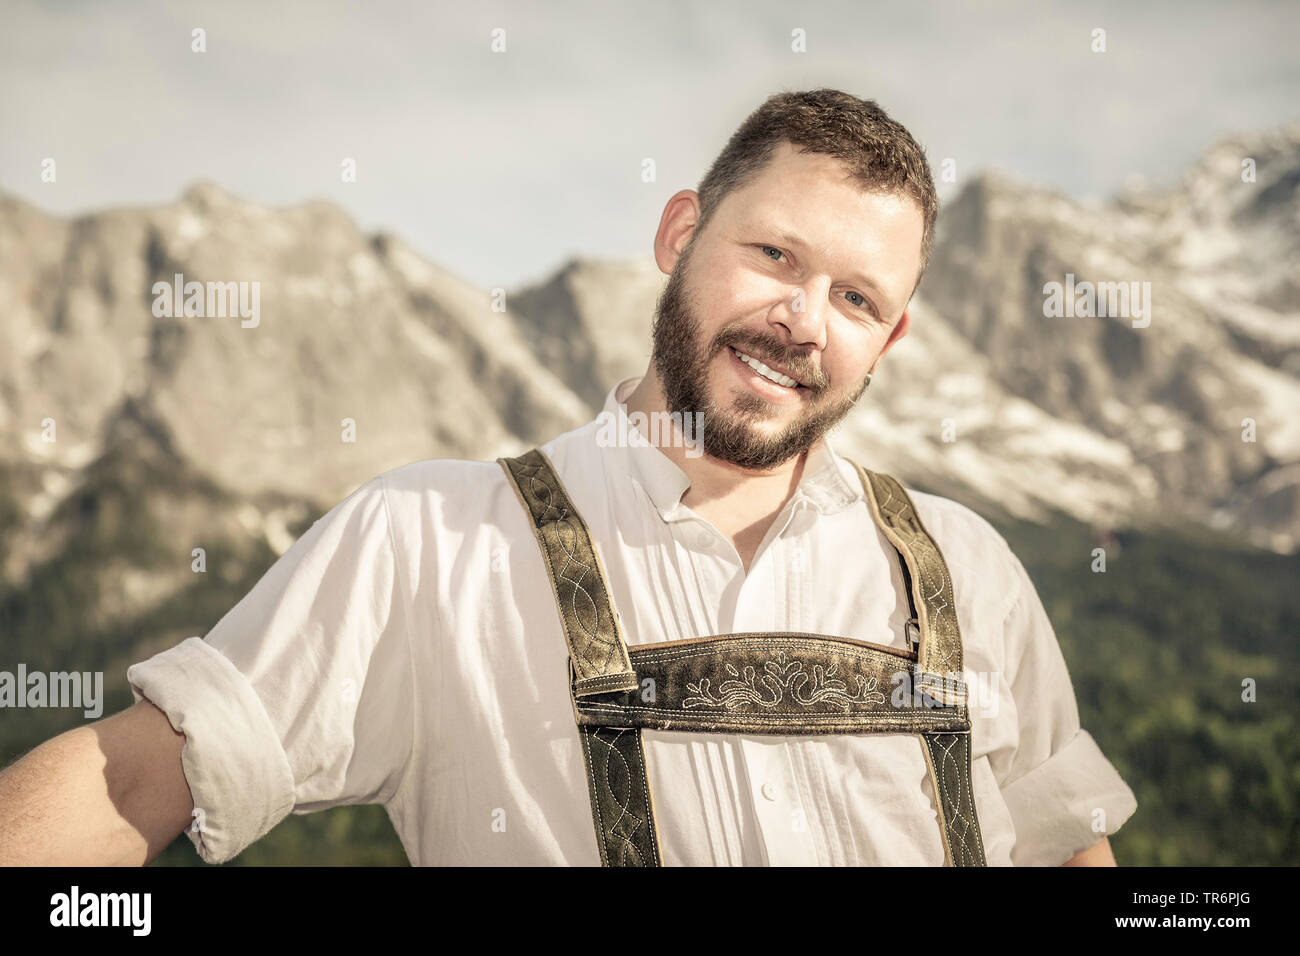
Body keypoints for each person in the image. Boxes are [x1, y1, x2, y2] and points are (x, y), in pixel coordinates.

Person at [0, 88, 1136, 866]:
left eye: (856, 298)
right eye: (775, 255)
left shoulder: (960, 565)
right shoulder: (433, 538)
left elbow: (1065, 843)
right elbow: (135, 776)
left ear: (887, 341)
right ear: (679, 232)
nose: (802, 321)